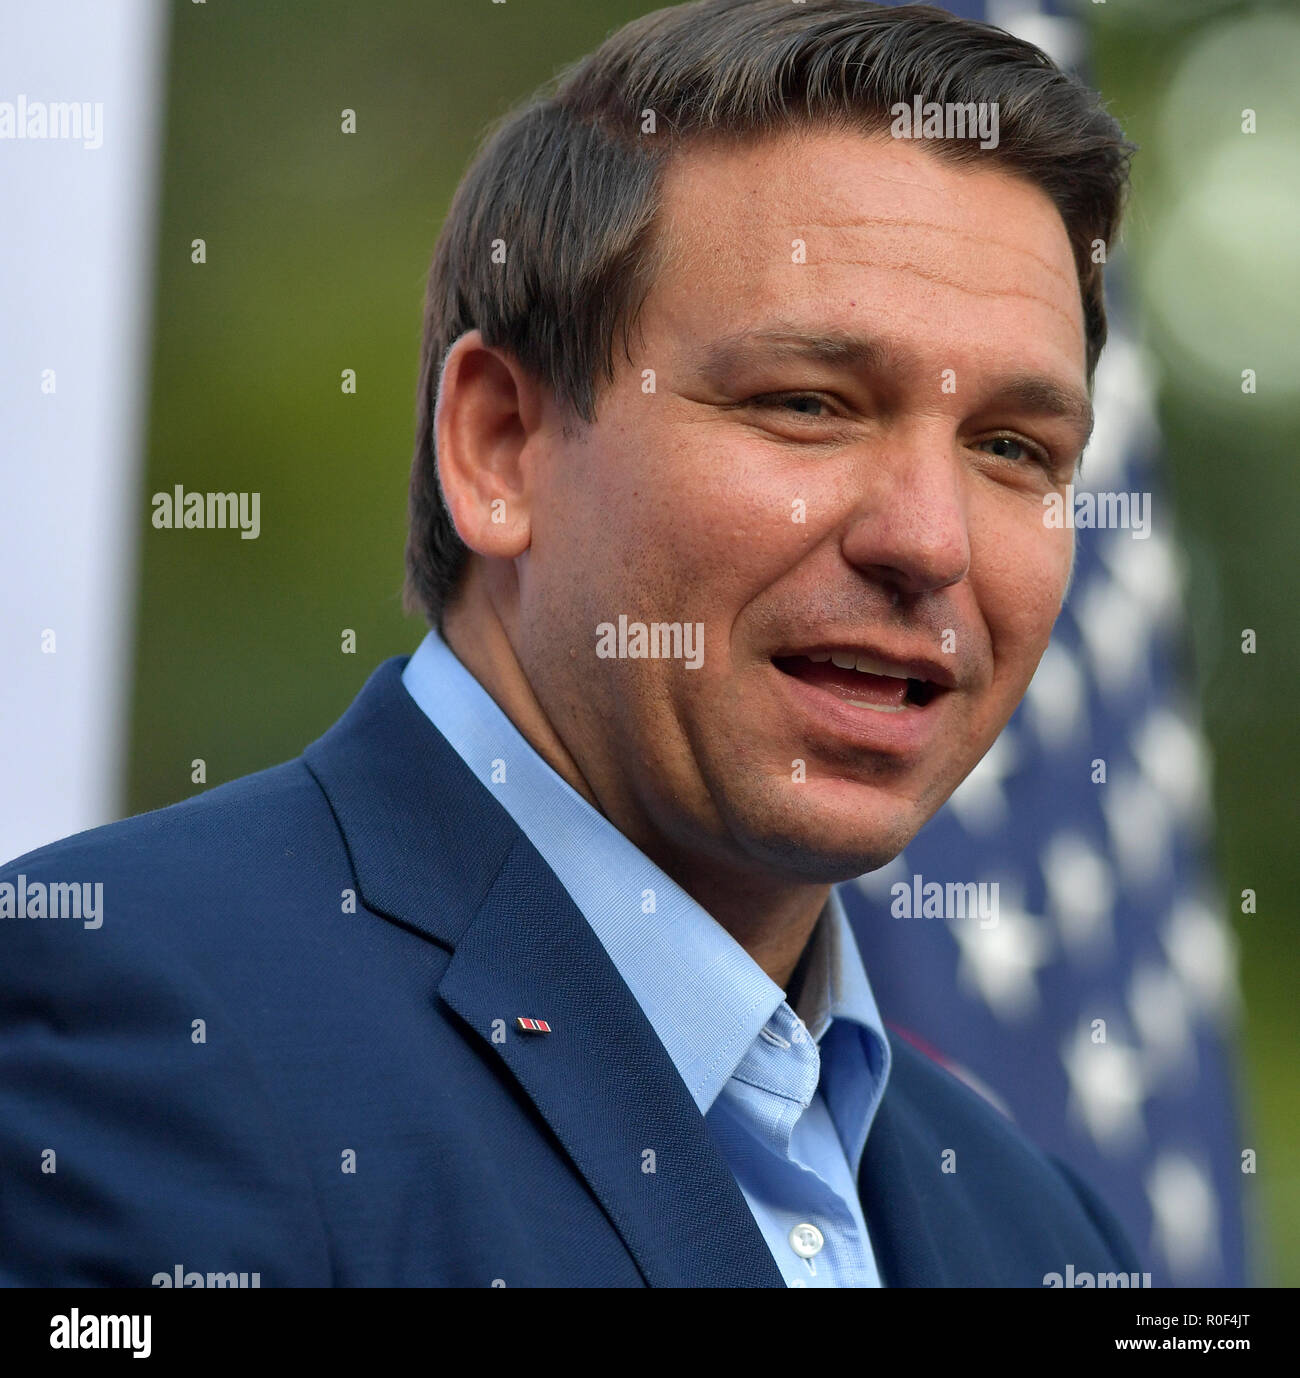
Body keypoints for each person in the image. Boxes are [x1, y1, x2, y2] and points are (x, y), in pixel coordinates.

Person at [0, 0, 1142, 1287]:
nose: (929, 542)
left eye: (1011, 449)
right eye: (808, 403)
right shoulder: (132, 1021)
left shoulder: (1044, 1234)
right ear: (500, 446)